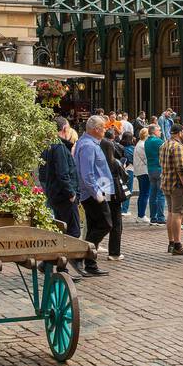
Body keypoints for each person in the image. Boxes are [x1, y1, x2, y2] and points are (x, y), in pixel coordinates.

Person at [72, 116, 113, 275]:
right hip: (92, 194)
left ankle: (90, 262)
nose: (105, 130)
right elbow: (87, 174)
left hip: (96, 191)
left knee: (94, 227)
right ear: (96, 129)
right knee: (105, 224)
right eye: (103, 127)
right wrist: (97, 193)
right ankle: (81, 256)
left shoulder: (88, 143)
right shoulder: (88, 145)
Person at [39, 119, 81, 240]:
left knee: (62, 229)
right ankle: (73, 258)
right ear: (64, 129)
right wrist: (71, 193)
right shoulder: (59, 147)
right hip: (63, 196)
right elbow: (62, 173)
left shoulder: (50, 145)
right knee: (73, 232)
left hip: (55, 194)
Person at [98, 128, 129, 262]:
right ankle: (114, 252)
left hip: (101, 190)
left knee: (101, 220)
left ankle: (94, 246)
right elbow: (125, 176)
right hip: (114, 192)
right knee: (116, 222)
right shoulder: (115, 162)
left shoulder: (98, 162)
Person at [161, 125, 183, 252]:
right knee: (177, 214)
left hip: (166, 182)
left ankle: (171, 243)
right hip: (177, 184)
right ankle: (178, 244)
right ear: (179, 133)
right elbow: (181, 168)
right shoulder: (178, 147)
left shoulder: (164, 145)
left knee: (170, 213)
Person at [133, 127, 151, 222]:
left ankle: (141, 214)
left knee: (143, 193)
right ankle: (141, 215)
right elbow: (146, 159)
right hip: (143, 172)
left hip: (141, 171)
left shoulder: (139, 144)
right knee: (145, 193)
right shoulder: (142, 145)